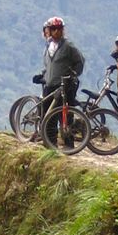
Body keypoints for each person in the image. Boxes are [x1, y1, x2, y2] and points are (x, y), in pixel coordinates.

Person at [32, 16, 85, 145]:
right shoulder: (48, 46)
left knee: (66, 116)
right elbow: (49, 66)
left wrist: (73, 75)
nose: (56, 31)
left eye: (59, 29)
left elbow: (80, 61)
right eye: (53, 29)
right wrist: (42, 75)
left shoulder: (68, 46)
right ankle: (50, 142)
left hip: (65, 86)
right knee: (48, 114)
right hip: (50, 85)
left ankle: (68, 143)